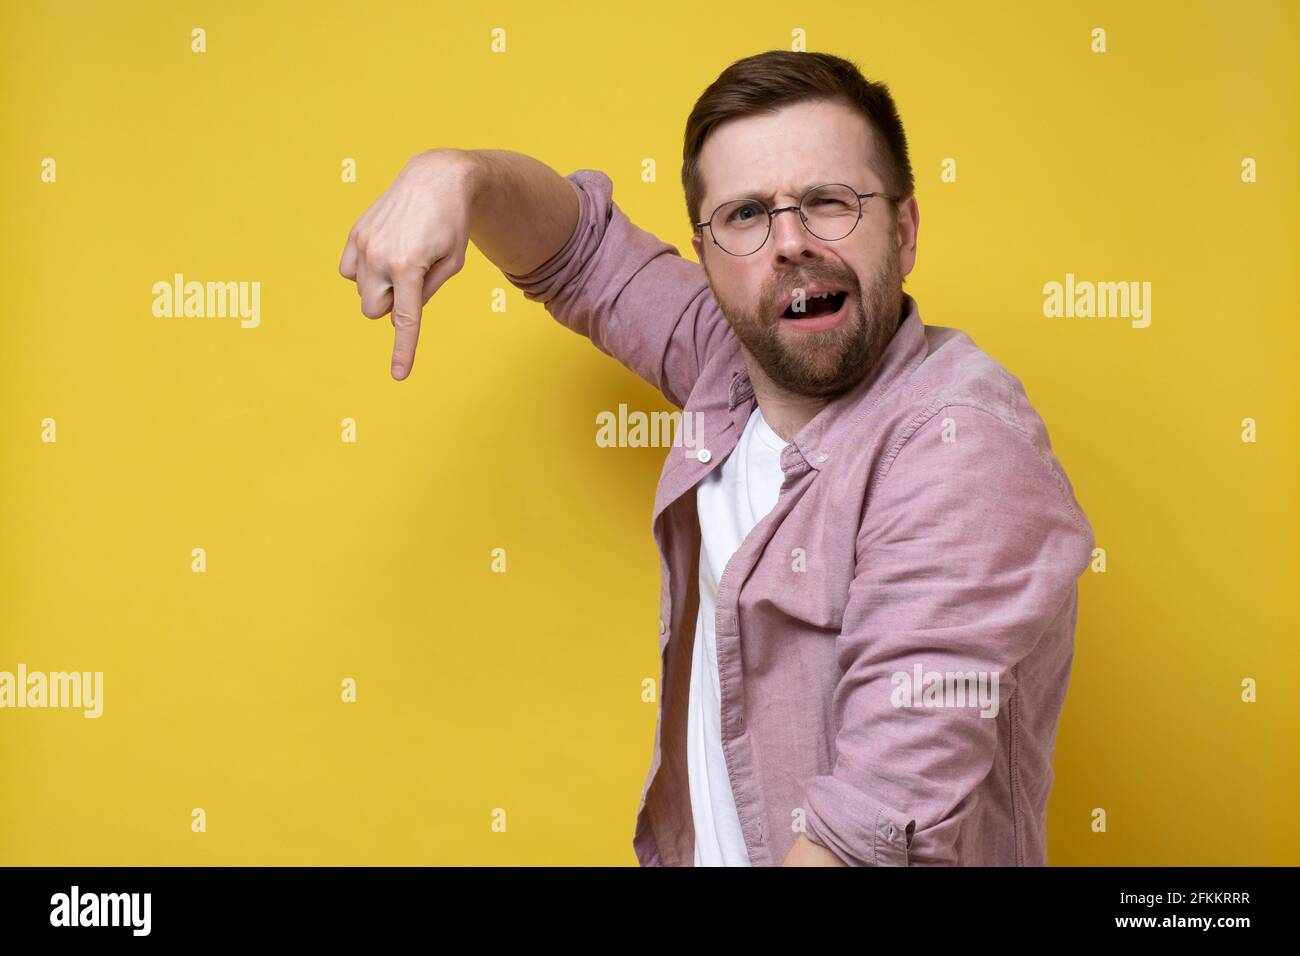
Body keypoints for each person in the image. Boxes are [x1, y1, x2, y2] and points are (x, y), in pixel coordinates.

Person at [337, 49, 1095, 866]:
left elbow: (869, 837)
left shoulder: (961, 449)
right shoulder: (729, 365)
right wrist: (456, 175)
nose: (791, 244)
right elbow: (578, 252)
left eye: (829, 202)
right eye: (745, 216)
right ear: (705, 256)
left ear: (904, 231)